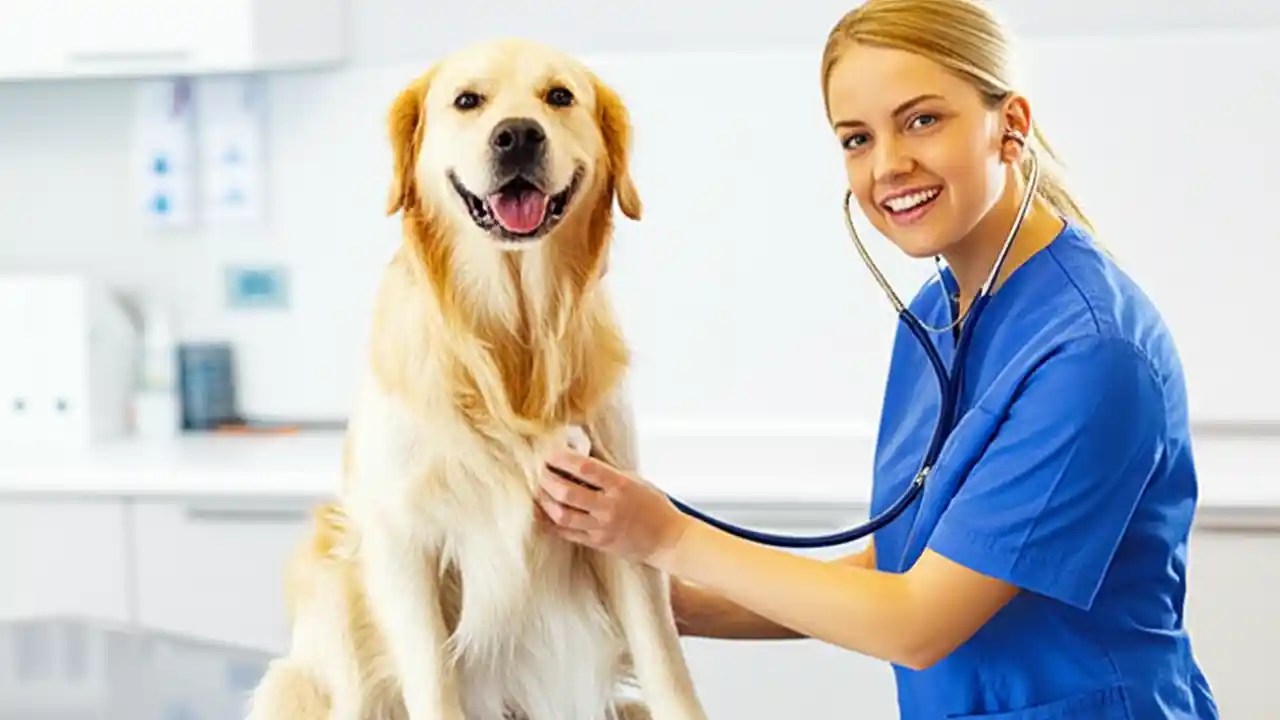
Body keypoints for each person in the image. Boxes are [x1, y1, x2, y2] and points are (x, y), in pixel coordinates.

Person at [536, 0, 1219, 717]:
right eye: (856, 139)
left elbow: (916, 620)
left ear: (1009, 126)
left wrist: (665, 535)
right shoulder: (937, 314)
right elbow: (901, 563)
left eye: (922, 119)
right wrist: (670, 606)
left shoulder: (1093, 355)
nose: (888, 165)